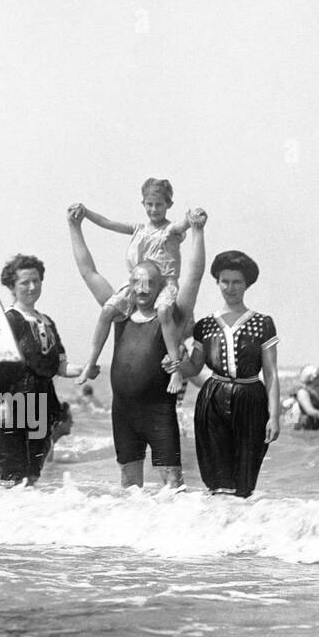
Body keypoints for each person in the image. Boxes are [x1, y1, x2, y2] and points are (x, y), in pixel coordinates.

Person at [69, 204, 208, 488]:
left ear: (161, 287)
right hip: (123, 413)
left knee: (173, 486)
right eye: (137, 284)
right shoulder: (120, 312)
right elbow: (88, 272)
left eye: (150, 285)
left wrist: (197, 233)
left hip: (159, 413)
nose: (143, 290)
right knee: (129, 488)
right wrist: (75, 227)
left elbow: (193, 276)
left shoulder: (171, 315)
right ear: (130, 284)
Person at [72, 179, 203, 395]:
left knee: (163, 311)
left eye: (159, 205)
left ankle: (175, 368)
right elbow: (108, 223)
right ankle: (91, 362)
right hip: (137, 283)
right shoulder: (138, 229)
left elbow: (183, 224)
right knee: (107, 310)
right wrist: (85, 213)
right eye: (149, 204)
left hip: (164, 285)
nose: (154, 209)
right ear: (143, 203)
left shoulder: (170, 230)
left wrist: (193, 218)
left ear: (169, 205)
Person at [168, 250, 281, 497]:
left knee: (244, 482)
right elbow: (195, 368)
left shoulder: (263, 323)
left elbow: (271, 375)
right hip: (212, 401)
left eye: (237, 282)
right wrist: (177, 365)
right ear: (217, 282)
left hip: (252, 399)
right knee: (217, 482)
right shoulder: (205, 325)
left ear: (247, 284)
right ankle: (217, 529)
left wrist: (274, 416)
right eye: (225, 281)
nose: (230, 288)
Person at [0, 254, 82, 484]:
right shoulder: (8, 320)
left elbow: (60, 366)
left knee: (31, 478)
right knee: (13, 477)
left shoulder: (47, 322)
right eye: (24, 282)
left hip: (43, 406)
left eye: (36, 281)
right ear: (11, 286)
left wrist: (85, 369)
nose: (32, 287)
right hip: (11, 406)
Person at [292, 365, 319, 430]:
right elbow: (310, 411)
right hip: (305, 427)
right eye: (318, 377)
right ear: (311, 378)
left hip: (318, 425)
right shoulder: (303, 392)